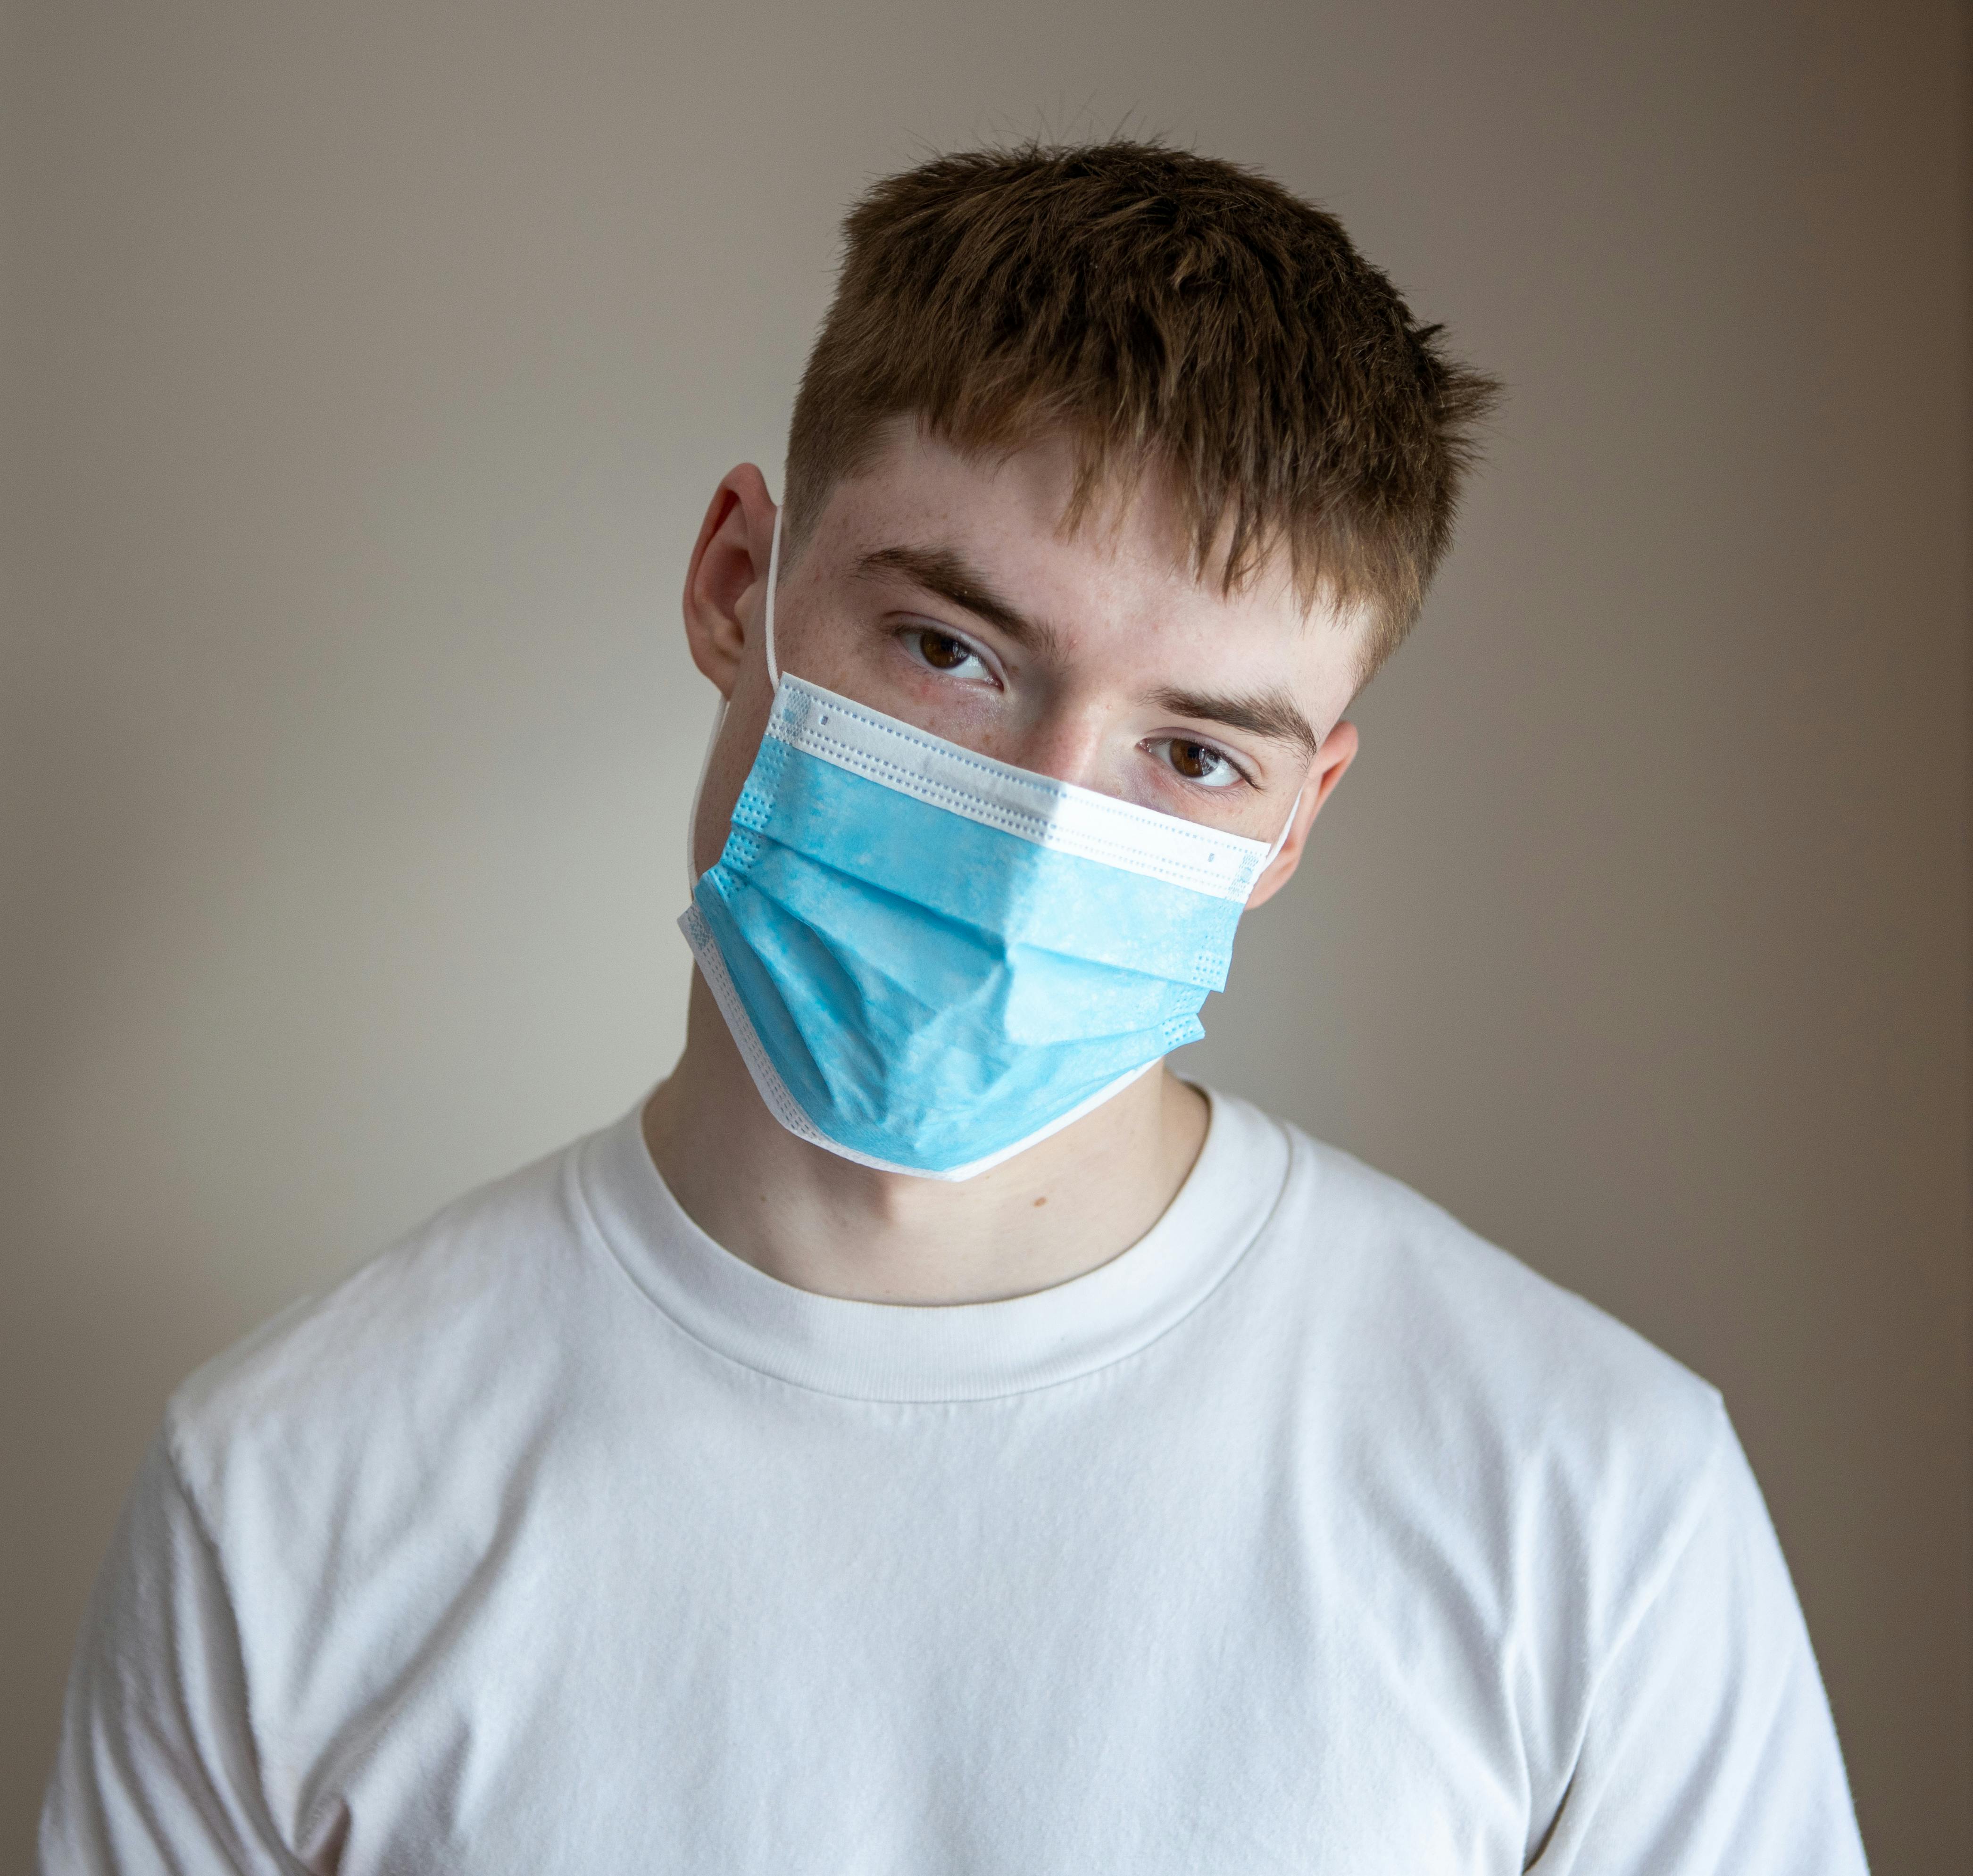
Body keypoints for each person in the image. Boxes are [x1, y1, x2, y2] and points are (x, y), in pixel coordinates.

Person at [39, 141, 1867, 1874]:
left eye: (1192, 752)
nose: (1039, 830)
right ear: (737, 583)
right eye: (952, 653)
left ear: (1297, 816)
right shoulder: (290, 1483)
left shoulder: (1586, 1489)